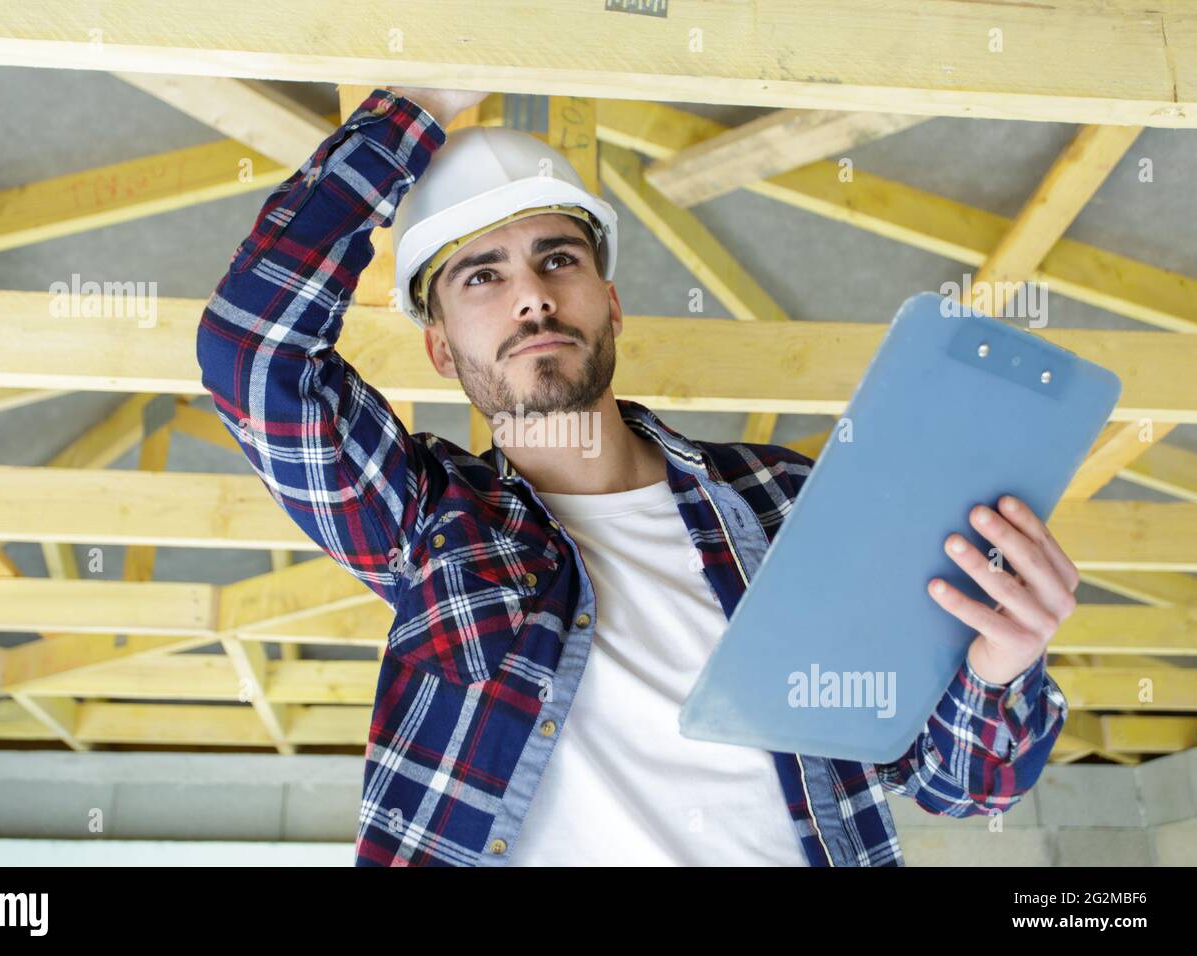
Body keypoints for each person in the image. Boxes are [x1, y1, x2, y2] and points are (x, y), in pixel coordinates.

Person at [196, 85, 1071, 866]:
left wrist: (1002, 667)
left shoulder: (789, 503)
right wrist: (418, 101)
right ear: (438, 346)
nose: (531, 297)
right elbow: (250, 346)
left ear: (611, 301)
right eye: (481, 276)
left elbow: (961, 788)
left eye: (558, 258)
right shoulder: (430, 526)